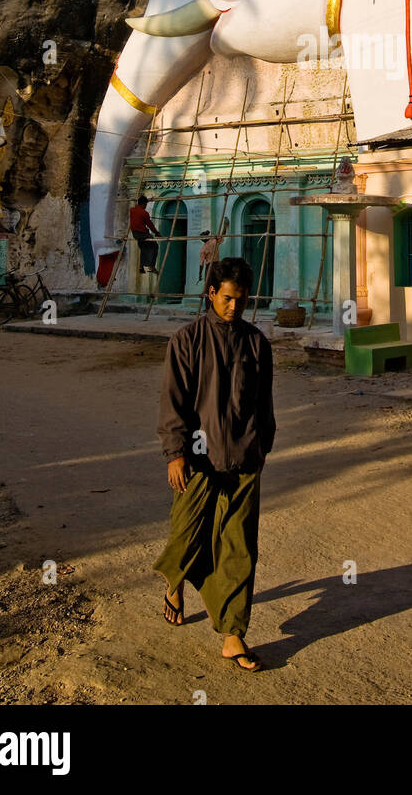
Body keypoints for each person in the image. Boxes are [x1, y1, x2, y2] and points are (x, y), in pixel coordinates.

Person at [153, 256, 276, 672]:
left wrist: (262, 448)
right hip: (198, 461)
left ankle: (233, 634)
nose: (234, 307)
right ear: (211, 293)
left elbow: (264, 404)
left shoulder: (257, 343)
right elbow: (174, 403)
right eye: (227, 298)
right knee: (185, 537)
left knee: (239, 547)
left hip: (243, 458)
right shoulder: (185, 341)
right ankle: (175, 581)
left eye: (241, 300)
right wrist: (175, 453)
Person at [129, 195, 159, 273]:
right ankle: (151, 266)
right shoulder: (144, 213)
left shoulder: (132, 210)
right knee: (155, 246)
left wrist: (149, 199)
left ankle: (141, 266)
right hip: (142, 233)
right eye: (145, 204)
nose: (146, 206)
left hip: (135, 234)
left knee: (143, 247)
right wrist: (157, 233)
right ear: (143, 204)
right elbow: (150, 225)